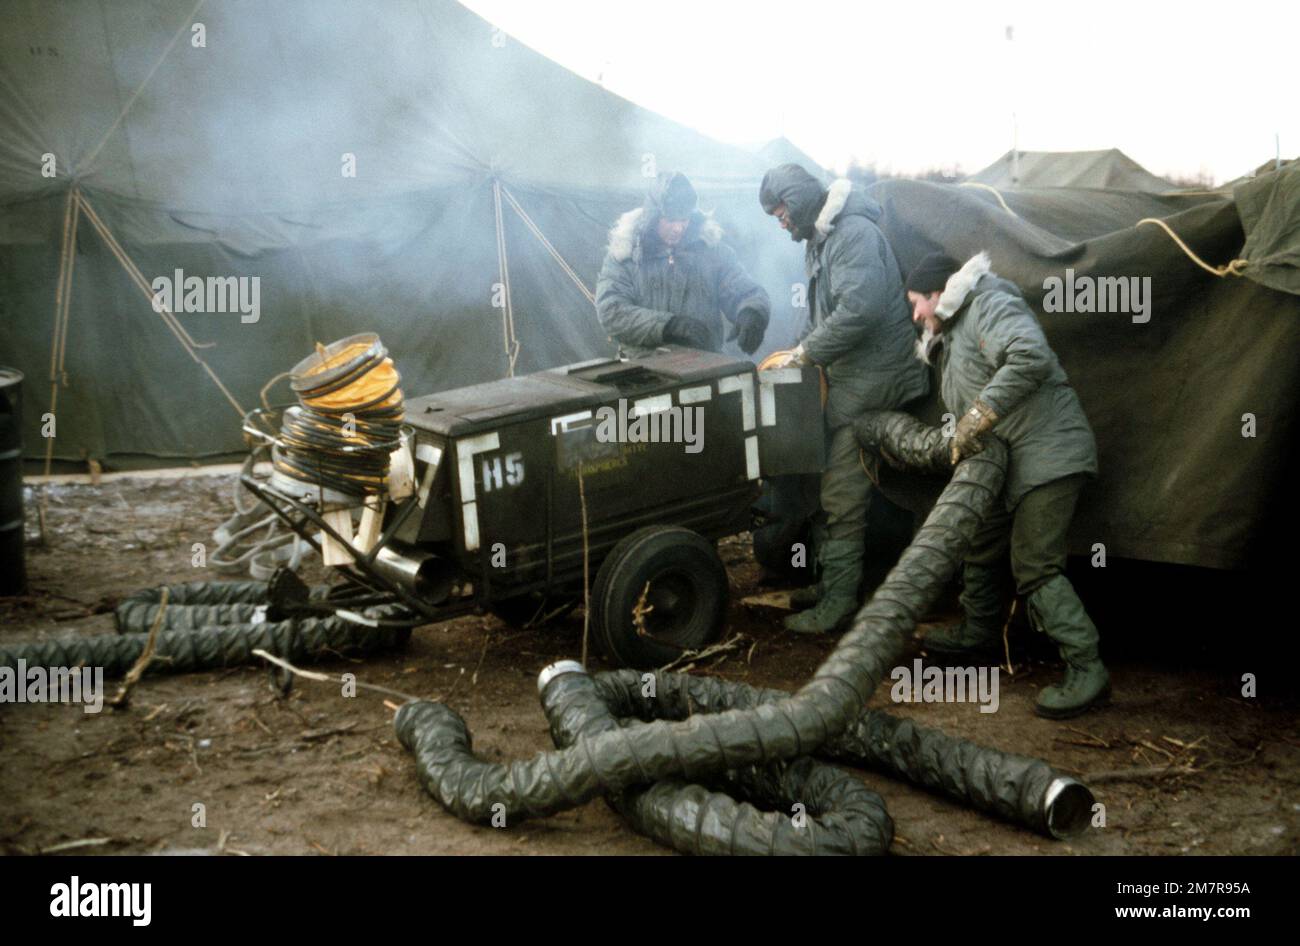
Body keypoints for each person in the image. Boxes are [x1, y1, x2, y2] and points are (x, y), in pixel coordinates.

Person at [906, 250, 1110, 719]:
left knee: (1034, 564)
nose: (916, 314)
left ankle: (1087, 669)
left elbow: (1029, 356)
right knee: (980, 536)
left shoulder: (989, 305)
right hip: (1009, 461)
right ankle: (979, 634)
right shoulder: (955, 330)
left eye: (919, 302)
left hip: (1049, 454)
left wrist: (978, 415)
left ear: (943, 293)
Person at [758, 164, 929, 634]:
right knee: (815, 476)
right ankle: (827, 580)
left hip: (878, 376)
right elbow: (821, 315)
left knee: (840, 491)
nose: (780, 222)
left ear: (798, 202)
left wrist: (807, 353)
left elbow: (861, 309)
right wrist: (797, 350)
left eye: (781, 212)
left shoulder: (851, 234)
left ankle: (840, 603)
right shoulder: (822, 239)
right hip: (851, 374)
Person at [595, 171, 770, 358]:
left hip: (704, 363)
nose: (678, 228)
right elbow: (611, 311)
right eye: (670, 220)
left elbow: (745, 290)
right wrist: (669, 327)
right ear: (654, 217)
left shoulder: (712, 251)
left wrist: (752, 313)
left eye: (684, 219)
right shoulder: (626, 253)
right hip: (642, 368)